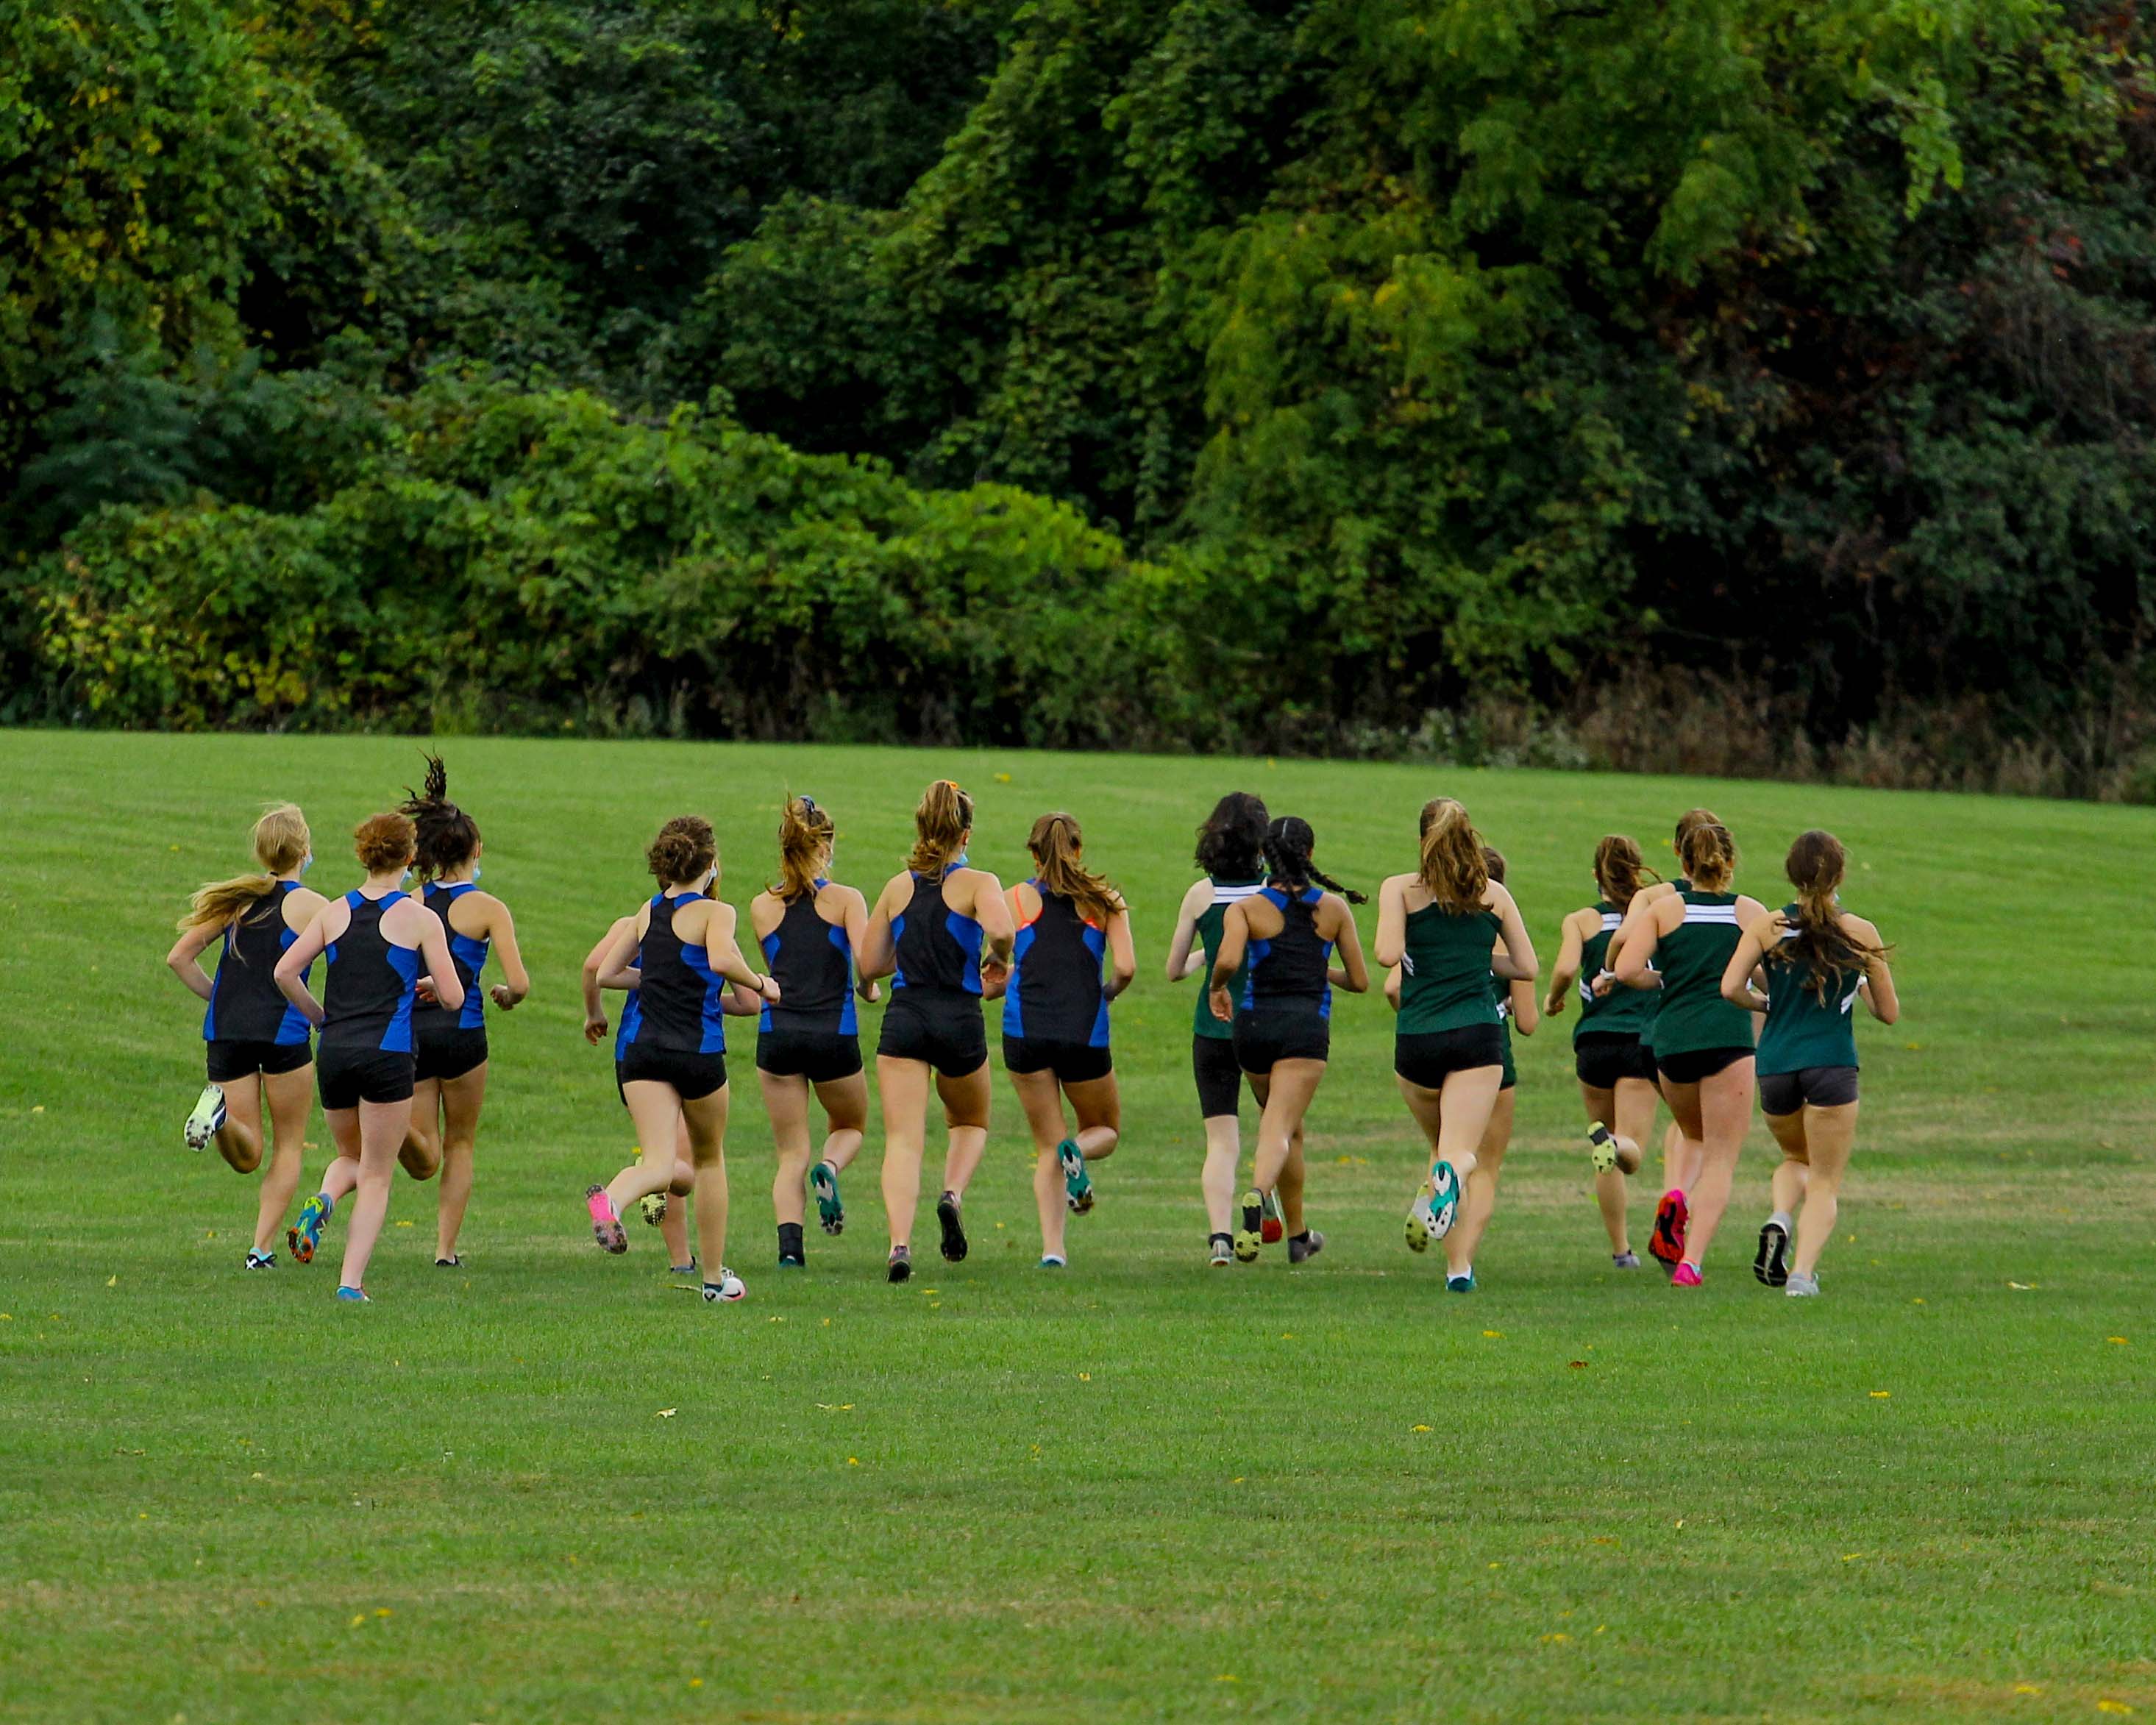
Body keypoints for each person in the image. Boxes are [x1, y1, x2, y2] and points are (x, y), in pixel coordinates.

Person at [586, 817, 778, 1305]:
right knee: (709, 1161)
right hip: (696, 1051)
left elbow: (605, 972)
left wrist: (657, 979)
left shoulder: (647, 911)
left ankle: (611, 1200)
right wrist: (761, 982)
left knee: (658, 1162)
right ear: (711, 864)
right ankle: (712, 1280)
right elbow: (719, 961)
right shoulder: (717, 913)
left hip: (643, 1051)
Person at [274, 812, 463, 1302]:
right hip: (387, 1053)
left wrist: (321, 1018)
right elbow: (454, 997)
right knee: (377, 1173)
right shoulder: (421, 918)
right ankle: (350, 1283)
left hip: (335, 1051)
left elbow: (285, 972)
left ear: (363, 854)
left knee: (349, 1157)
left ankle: (324, 1198)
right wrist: (422, 985)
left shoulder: (333, 912)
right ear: (409, 857)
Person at [1721, 830, 1899, 1297]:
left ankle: (1780, 1216)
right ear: (1839, 874)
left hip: (1776, 1065)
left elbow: (1730, 988)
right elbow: (1889, 1012)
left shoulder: (1767, 927)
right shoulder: (1860, 932)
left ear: (1792, 875)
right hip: (1833, 1065)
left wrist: (1768, 1004)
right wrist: (1854, 987)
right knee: (1824, 1181)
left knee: (1794, 1157)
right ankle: (1801, 1276)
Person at [857, 780, 1016, 1282]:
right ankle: (950, 1195)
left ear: (921, 828)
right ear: (964, 833)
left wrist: (882, 975)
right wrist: (998, 960)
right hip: (958, 1017)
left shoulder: (897, 886)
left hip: (905, 1017)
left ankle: (898, 1245)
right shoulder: (978, 883)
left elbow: (867, 961)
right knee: (969, 1122)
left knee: (903, 1140)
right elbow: (1004, 930)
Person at [1373, 801, 1535, 1291]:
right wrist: (1477, 960)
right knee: (1463, 1155)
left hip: (1417, 1039)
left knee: (1439, 1143)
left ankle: (1458, 1271)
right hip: (1476, 1037)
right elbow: (1525, 966)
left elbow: (1385, 954)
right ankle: (1457, 1263)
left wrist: (1424, 954)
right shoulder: (1495, 894)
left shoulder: (1399, 889)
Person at [165, 804, 327, 1269]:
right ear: (305, 850)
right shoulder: (314, 905)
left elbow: (179, 958)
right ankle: (260, 1250)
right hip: (284, 1034)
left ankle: (219, 1117)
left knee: (246, 1153)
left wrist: (220, 998)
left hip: (228, 1031)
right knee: (288, 1144)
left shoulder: (237, 901)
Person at [1612, 811, 1764, 1287]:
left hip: (1671, 1045)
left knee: (1692, 1134)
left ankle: (1676, 1194)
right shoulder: (1748, 912)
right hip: (1727, 1041)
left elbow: (1626, 969)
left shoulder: (1664, 909)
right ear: (1729, 861)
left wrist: (1668, 977)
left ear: (1682, 860)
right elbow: (1764, 976)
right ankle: (1690, 1262)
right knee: (1721, 1156)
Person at [1209, 816, 1369, 1267]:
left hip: (1254, 1029)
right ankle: (1258, 1195)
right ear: (1310, 855)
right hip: (1304, 1030)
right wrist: (1320, 971)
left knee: (1286, 1127)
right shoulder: (1334, 909)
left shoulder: (1247, 908)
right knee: (1279, 1127)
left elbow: (1226, 960)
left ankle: (1299, 1237)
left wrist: (1216, 987)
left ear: (1265, 857)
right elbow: (1359, 981)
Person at [396, 757, 530, 1267]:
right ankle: (445, 1250)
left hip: (415, 1033)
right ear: (476, 851)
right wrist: (506, 995)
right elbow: (518, 982)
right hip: (465, 1033)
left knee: (423, 1153)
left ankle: (390, 1129)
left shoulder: (411, 900)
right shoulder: (489, 908)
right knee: (460, 1144)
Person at [1164, 792, 1295, 1266]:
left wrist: (1209, 956)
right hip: (1266, 1026)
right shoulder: (1275, 893)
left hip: (1212, 1029)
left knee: (1221, 1142)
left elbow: (1174, 969)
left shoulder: (1201, 896)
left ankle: (1219, 1236)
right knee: (1276, 1129)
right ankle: (1271, 1205)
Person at [747, 795, 878, 1270]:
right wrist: (869, 989)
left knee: (789, 1152)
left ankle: (790, 1251)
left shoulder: (762, 907)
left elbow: (776, 970)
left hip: (778, 1035)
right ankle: (830, 1168)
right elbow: (864, 963)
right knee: (849, 1126)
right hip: (833, 1034)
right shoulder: (846, 900)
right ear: (825, 846)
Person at [1002, 812, 1136, 1268]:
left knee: (1046, 1146)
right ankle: (1077, 1150)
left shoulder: (1014, 899)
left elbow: (998, 965)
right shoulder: (1105, 902)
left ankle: (1053, 1251)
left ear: (1033, 854)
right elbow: (1126, 969)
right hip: (1084, 1032)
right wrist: (1108, 994)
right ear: (1078, 850)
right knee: (1105, 1131)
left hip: (1024, 1033)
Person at [1542, 834, 1662, 1268]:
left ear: (1596, 876)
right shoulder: (1655, 915)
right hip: (1639, 1040)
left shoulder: (1581, 920)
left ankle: (1620, 1250)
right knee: (1630, 1150)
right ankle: (1615, 1142)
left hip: (1592, 1042)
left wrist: (1554, 999)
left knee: (1605, 1154)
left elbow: (1565, 968)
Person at [1608, 808, 1718, 1267]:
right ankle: (1679, 1198)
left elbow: (1620, 946)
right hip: (1706, 1031)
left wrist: (1629, 972)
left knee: (1683, 1122)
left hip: (1655, 1033)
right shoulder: (1728, 904)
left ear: (1677, 852)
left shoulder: (1653, 897)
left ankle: (1673, 1197)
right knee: (1702, 1132)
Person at [1434, 844, 1538, 1291]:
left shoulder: (1437, 929)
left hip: (1433, 1043)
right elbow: (1530, 1023)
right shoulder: (1500, 936)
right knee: (1487, 1168)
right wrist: (1511, 1003)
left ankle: (1437, 1204)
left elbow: (1396, 987)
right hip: (1492, 1056)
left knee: (1445, 1149)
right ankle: (1462, 1267)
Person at [582, 914, 700, 1276]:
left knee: (671, 1166)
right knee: (682, 1169)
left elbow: (592, 967)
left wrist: (594, 1014)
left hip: (633, 1052)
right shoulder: (707, 922)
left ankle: (679, 1256)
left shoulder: (634, 923)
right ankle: (680, 1258)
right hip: (689, 1048)